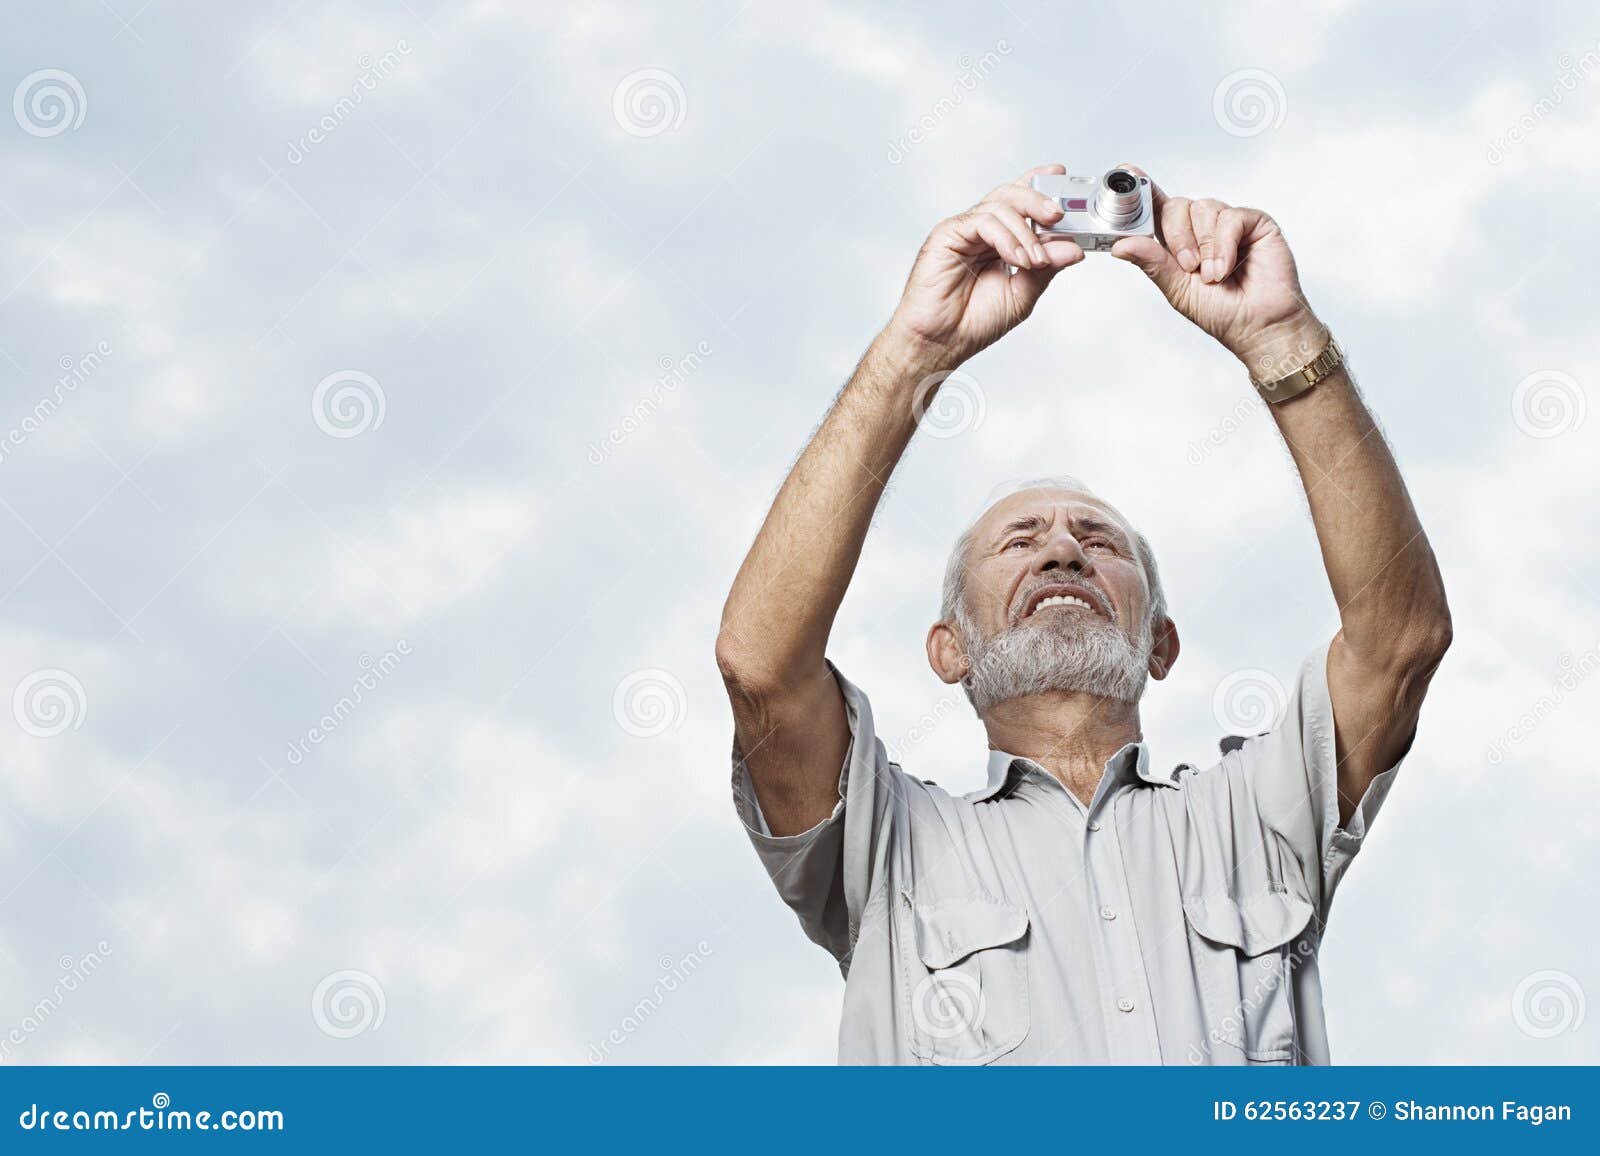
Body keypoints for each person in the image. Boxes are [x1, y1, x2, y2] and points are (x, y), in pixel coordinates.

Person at [715, 162, 1451, 1064]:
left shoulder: (1259, 819)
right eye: (1020, 539)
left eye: (1100, 543)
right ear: (949, 651)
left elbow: (1400, 643)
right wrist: (918, 351)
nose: (1064, 550)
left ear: (1162, 643)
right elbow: (762, 670)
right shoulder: (887, 850)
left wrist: (1281, 337)